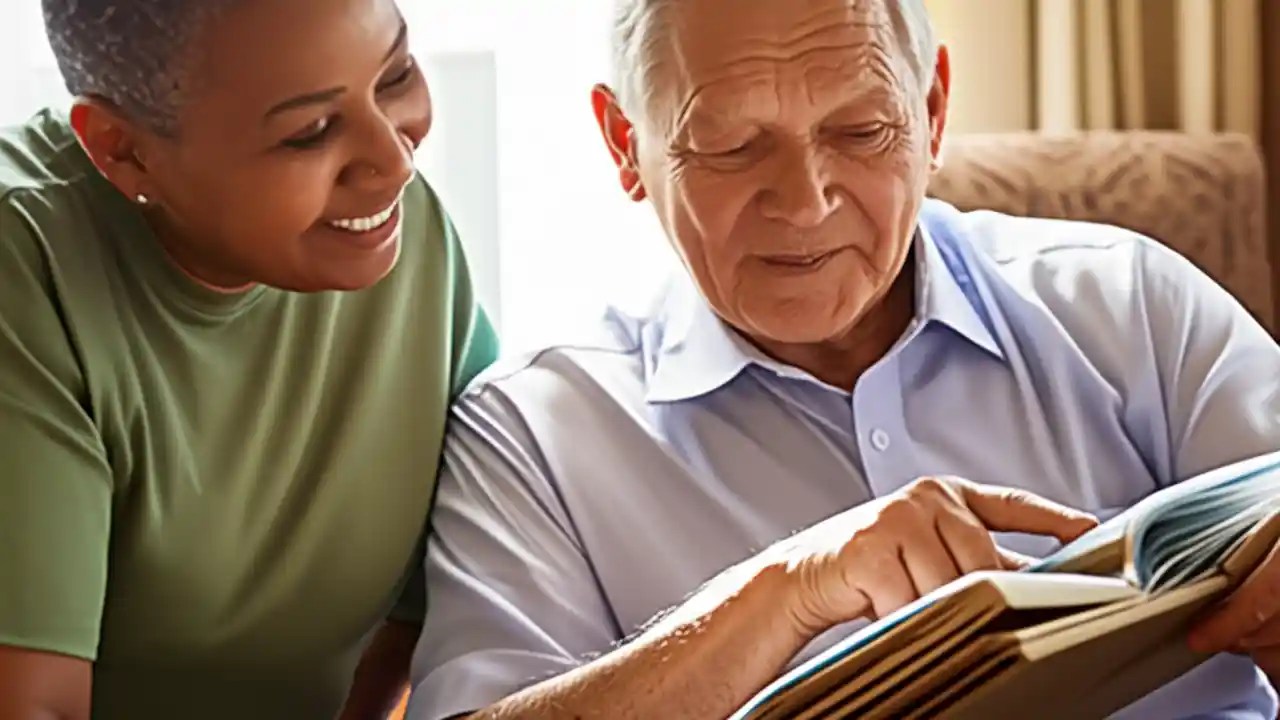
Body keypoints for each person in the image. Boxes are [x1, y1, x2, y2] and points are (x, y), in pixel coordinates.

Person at [404, 0, 1280, 718]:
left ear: (931, 113)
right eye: (735, 146)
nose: (806, 201)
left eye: (861, 131)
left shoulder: (1131, 304)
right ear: (626, 144)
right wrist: (786, 591)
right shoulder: (535, 430)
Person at [0, 0, 497, 718]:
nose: (394, 163)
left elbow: (452, 599)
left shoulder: (402, 240)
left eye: (394, 76)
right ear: (121, 149)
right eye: (310, 131)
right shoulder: (29, 275)